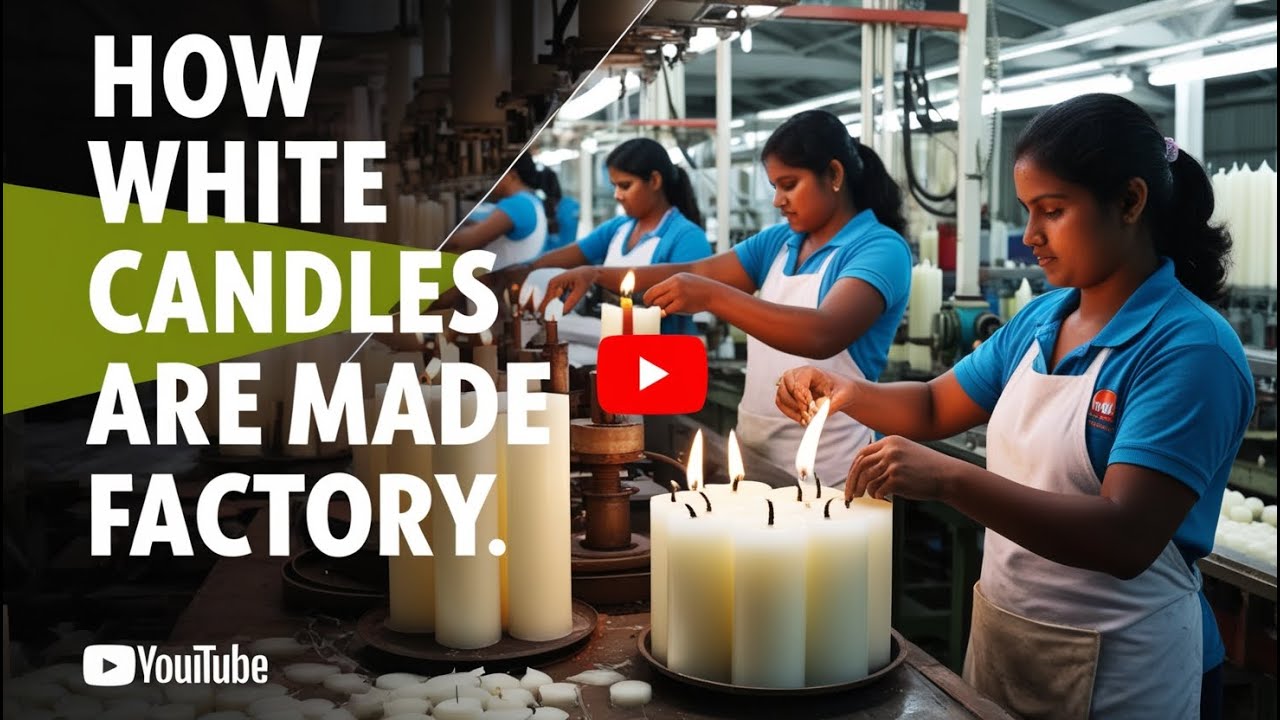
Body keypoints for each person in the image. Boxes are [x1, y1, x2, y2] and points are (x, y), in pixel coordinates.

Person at [775, 94, 1252, 719]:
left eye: (1052, 211)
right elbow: (930, 406)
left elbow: (1125, 536)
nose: (1030, 237)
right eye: (1028, 211)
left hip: (1128, 667)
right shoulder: (1042, 319)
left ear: (1131, 202)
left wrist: (947, 478)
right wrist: (844, 393)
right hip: (1007, 633)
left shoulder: (1189, 347)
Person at [544, 111, 912, 481]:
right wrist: (596, 274)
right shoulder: (780, 242)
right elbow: (698, 271)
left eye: (789, 184)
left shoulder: (880, 248)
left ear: (834, 174)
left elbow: (824, 333)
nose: (778, 201)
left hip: (835, 467)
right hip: (758, 452)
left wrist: (712, 297)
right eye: (775, 187)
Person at [513, 137, 712, 335]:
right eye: (614, 186)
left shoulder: (687, 237)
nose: (617, 195)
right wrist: (524, 269)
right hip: (613, 344)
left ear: (654, 181)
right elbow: (571, 255)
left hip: (661, 355)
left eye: (625, 186)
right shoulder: (619, 228)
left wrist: (596, 275)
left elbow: (689, 295)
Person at [444, 154, 558, 269]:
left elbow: (471, 239)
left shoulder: (518, 204)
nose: (490, 182)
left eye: (495, 176)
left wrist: (439, 241)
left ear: (512, 176)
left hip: (502, 279)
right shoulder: (532, 200)